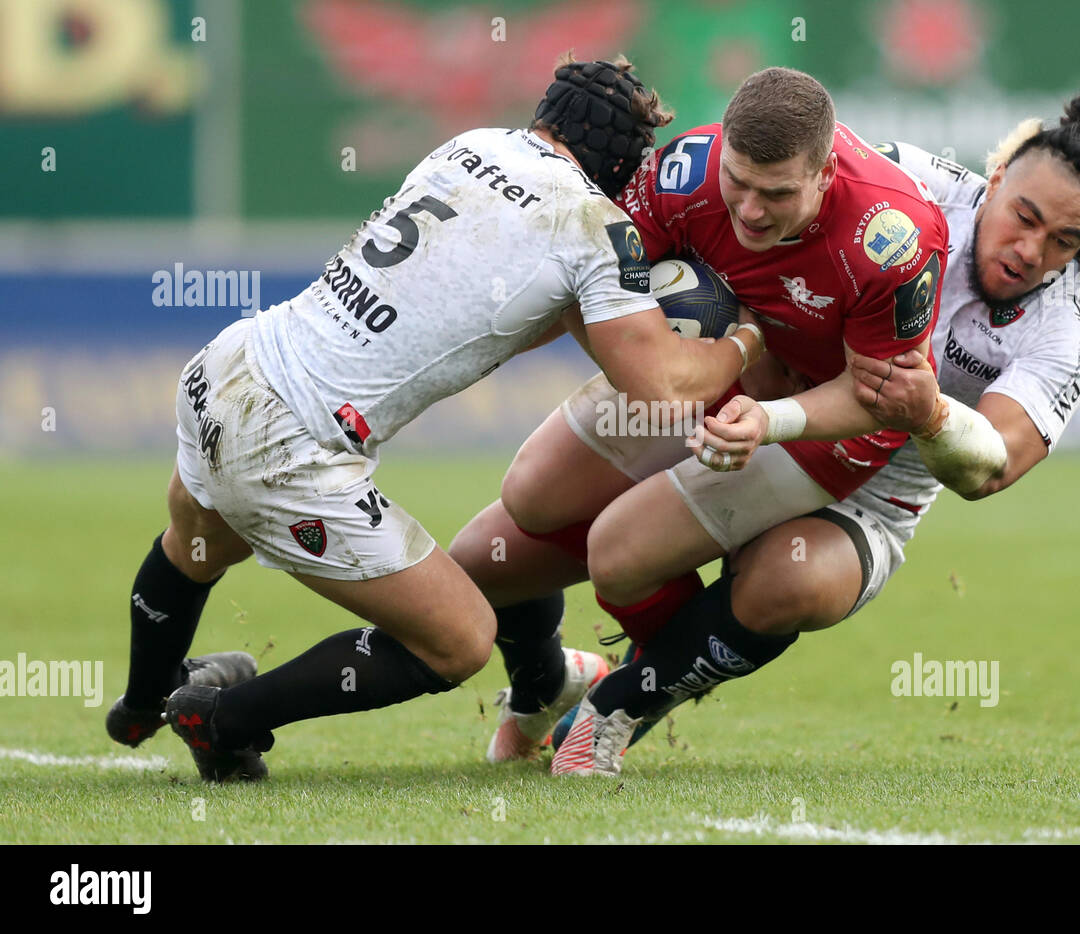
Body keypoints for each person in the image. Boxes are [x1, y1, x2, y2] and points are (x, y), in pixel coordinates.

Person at [104, 55, 767, 782]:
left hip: (232, 362)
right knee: (458, 640)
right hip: (290, 437)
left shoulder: (471, 144)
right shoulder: (594, 223)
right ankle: (223, 720)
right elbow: (662, 388)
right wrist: (746, 337)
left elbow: (512, 300)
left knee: (196, 543)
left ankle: (143, 701)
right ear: (618, 162)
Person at [547, 78, 1080, 775]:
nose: (1030, 250)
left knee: (787, 585)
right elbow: (790, 190)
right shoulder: (909, 188)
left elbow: (994, 466)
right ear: (998, 176)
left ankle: (623, 699)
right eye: (1024, 216)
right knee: (553, 521)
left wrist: (933, 413)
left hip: (876, 498)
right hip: (778, 408)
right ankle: (543, 667)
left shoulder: (1067, 336)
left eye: (1064, 241)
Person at [447, 66, 954, 764]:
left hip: (820, 429)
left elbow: (877, 399)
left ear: (825, 173)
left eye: (776, 193)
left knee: (619, 556)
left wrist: (768, 420)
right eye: (738, 182)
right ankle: (569, 677)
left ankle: (636, 690)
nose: (748, 209)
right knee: (520, 510)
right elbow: (587, 285)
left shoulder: (891, 239)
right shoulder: (685, 173)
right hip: (713, 377)